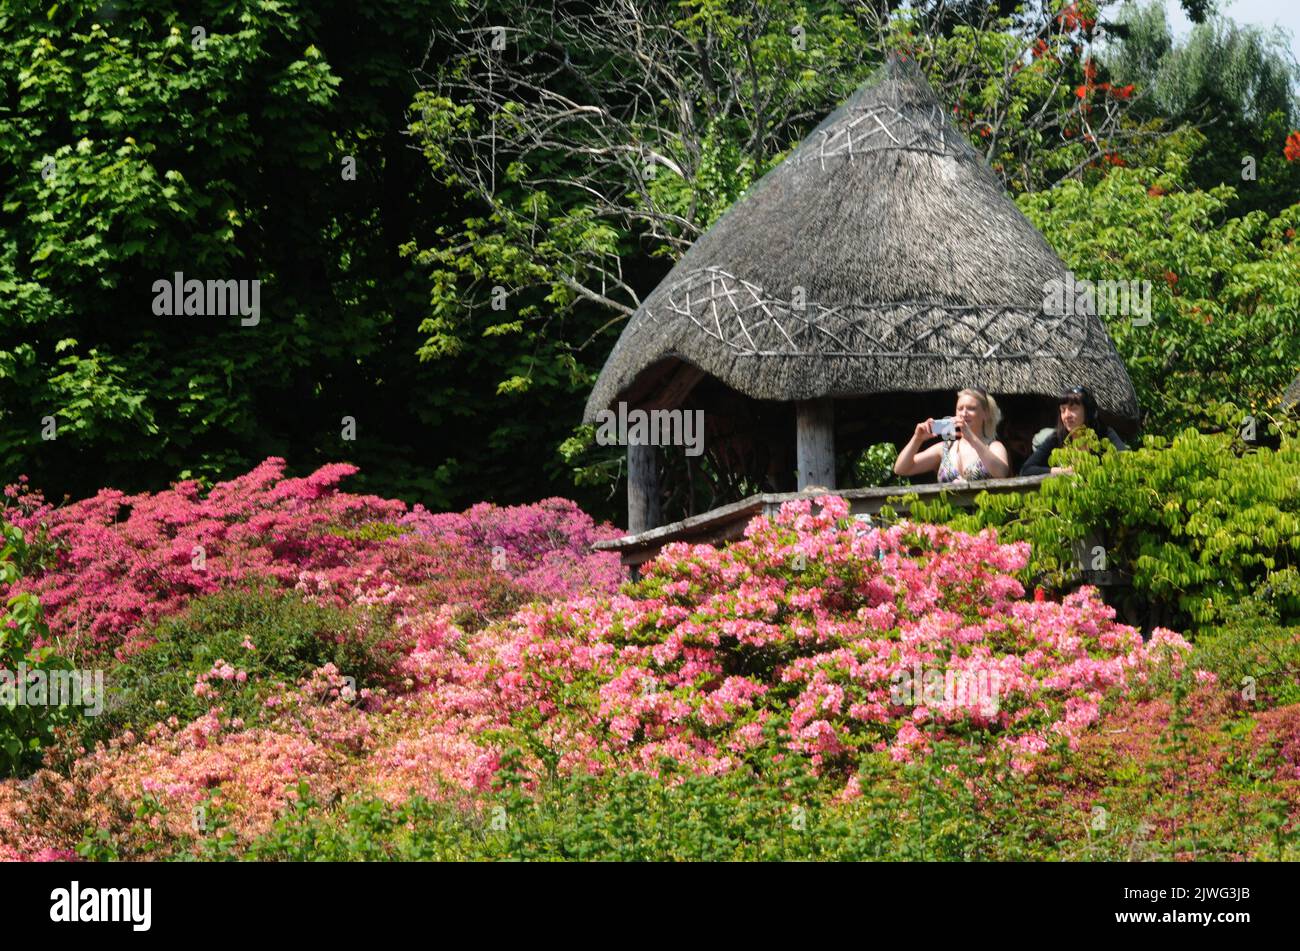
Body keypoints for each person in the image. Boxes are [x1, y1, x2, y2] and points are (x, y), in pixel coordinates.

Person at [893, 387, 1011, 482]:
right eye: (960, 408)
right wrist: (917, 439)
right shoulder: (945, 448)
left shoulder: (993, 446)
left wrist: (972, 439)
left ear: (986, 414)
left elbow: (1001, 473)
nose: (964, 413)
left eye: (971, 408)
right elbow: (901, 469)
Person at [1020, 385, 1127, 476]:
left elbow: (1126, 461)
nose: (1067, 415)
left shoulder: (1104, 434)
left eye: (1073, 408)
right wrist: (1065, 471)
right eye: (1063, 410)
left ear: (1088, 411)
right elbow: (1027, 470)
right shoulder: (1057, 438)